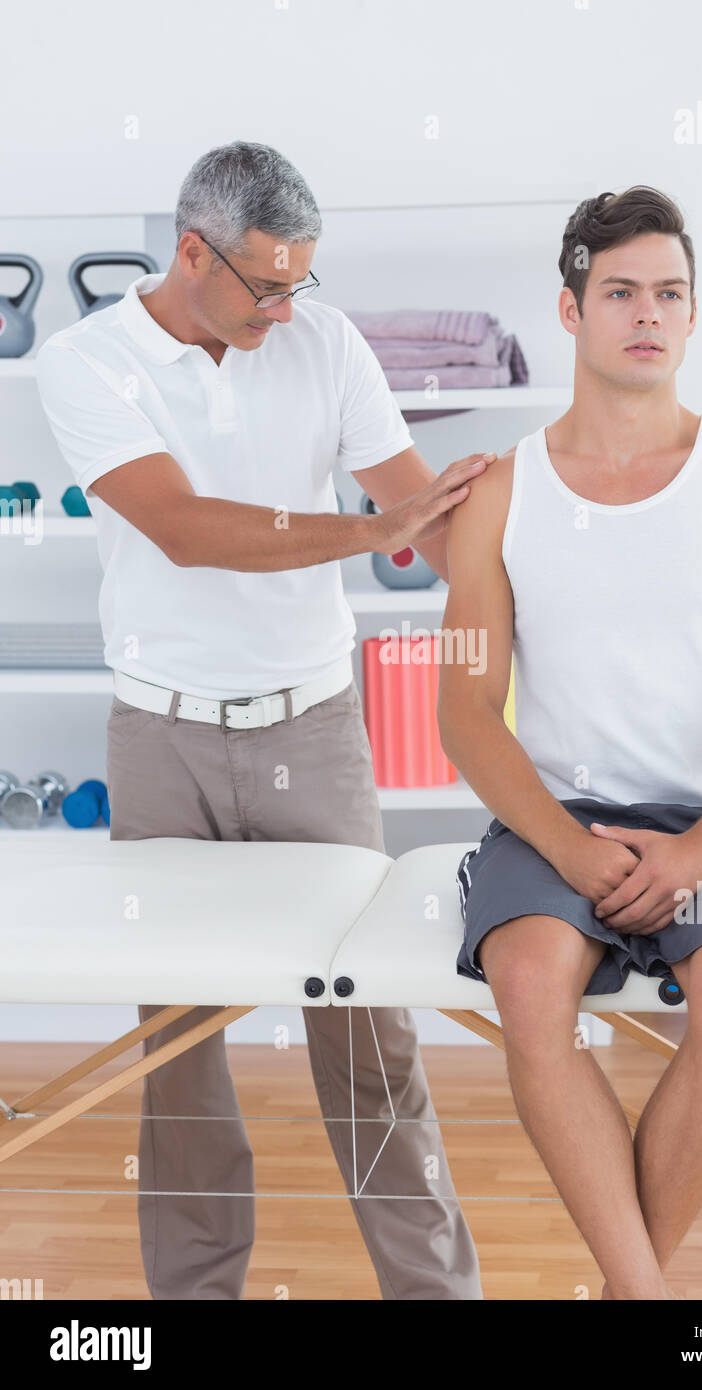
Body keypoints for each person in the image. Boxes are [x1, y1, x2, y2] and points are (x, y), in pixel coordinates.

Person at [35, 140, 492, 1301]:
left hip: (312, 732)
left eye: (302, 280)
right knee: (179, 1049)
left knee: (370, 1041)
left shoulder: (324, 343)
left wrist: (506, 540)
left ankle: (436, 1293)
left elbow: (417, 511)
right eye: (266, 283)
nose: (289, 307)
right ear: (194, 253)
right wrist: (368, 531)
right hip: (161, 741)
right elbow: (185, 528)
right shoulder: (86, 363)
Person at [438, 185, 702, 1301]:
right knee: (525, 983)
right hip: (554, 820)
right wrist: (565, 848)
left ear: (692, 312)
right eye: (618, 292)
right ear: (569, 311)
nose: (645, 313)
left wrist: (701, 851)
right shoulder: (496, 496)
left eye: (667, 293)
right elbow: (464, 706)